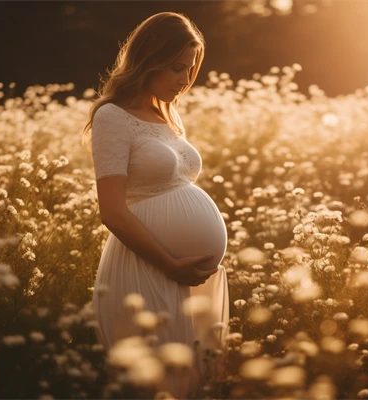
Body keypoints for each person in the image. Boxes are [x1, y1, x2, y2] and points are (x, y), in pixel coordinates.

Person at [81, 12, 230, 400]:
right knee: (157, 384)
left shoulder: (168, 116)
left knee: (191, 382)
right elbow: (111, 210)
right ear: (148, 60)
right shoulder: (112, 117)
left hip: (188, 273)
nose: (184, 79)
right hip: (149, 268)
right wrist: (169, 263)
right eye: (175, 67)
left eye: (190, 68)